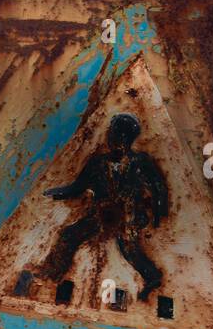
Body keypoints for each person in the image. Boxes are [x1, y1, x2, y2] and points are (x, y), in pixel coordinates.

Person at [38, 113, 169, 301]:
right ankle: (52, 273)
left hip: (128, 215)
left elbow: (158, 188)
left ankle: (152, 277)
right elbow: (78, 186)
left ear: (125, 138)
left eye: (116, 134)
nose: (112, 138)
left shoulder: (140, 162)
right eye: (112, 133)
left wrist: (158, 213)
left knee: (130, 250)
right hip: (101, 214)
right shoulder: (98, 162)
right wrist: (58, 193)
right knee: (70, 234)